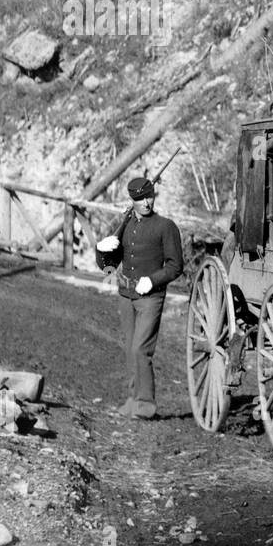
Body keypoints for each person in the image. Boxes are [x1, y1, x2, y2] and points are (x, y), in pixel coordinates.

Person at [95, 176, 184, 419]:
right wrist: (101, 252)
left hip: (150, 297)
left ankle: (146, 404)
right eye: (140, 199)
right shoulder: (126, 225)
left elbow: (176, 266)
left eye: (149, 196)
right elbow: (109, 267)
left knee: (141, 349)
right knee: (129, 350)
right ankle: (133, 400)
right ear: (132, 200)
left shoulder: (166, 227)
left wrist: (153, 280)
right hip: (126, 295)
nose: (146, 202)